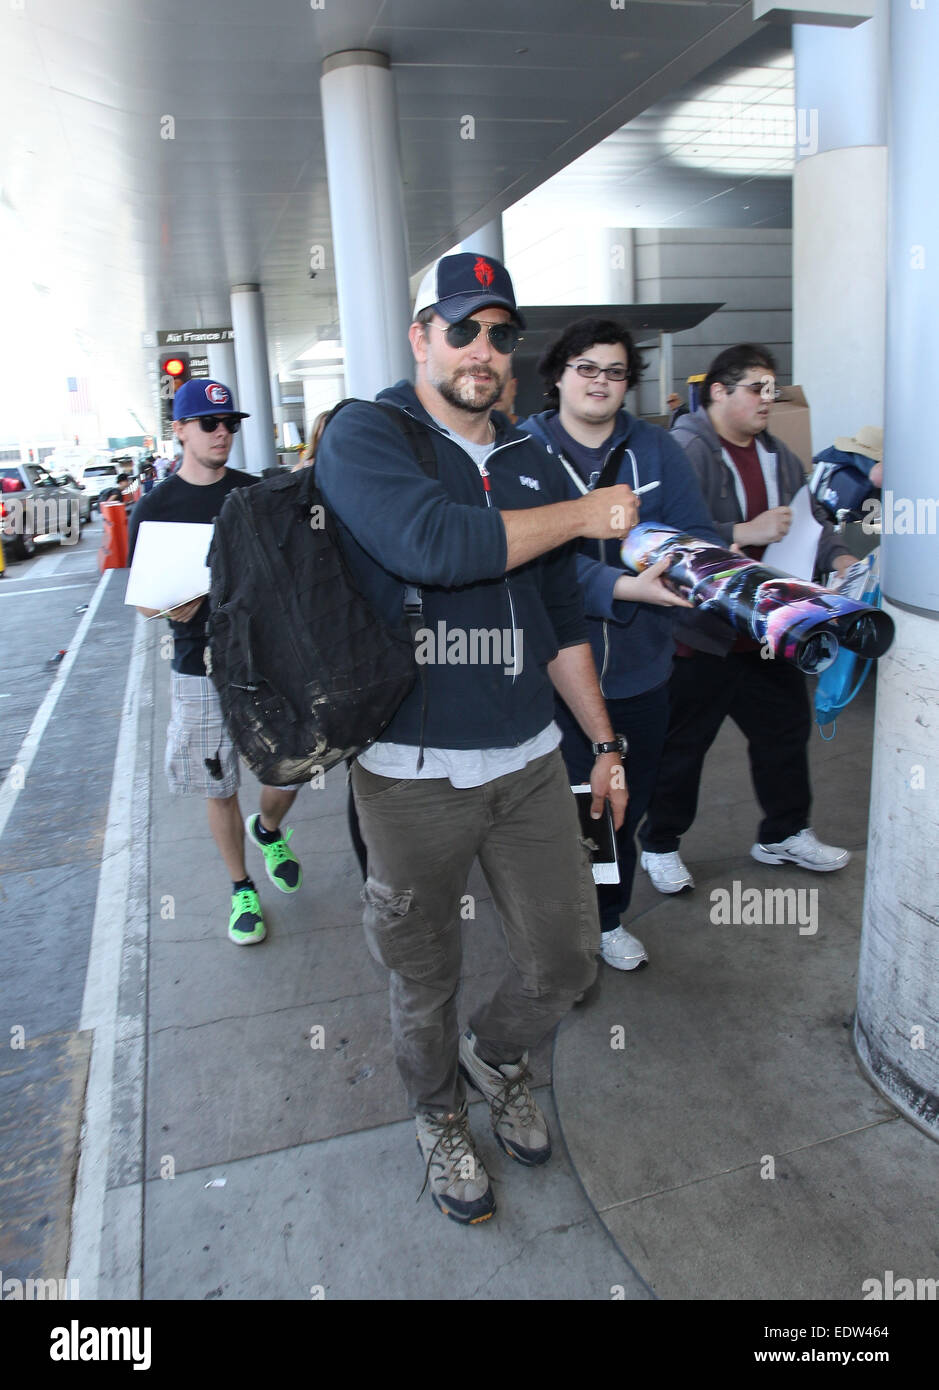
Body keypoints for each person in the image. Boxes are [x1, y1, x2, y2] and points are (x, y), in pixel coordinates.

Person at [315, 252, 639, 1225]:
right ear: (421, 337)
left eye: (502, 333)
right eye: (463, 328)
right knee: (424, 977)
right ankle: (437, 1113)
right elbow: (434, 546)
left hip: (532, 762)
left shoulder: (533, 458)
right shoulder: (371, 434)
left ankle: (496, 1059)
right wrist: (587, 513)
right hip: (411, 777)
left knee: (566, 960)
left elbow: (557, 622)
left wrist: (605, 743)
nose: (484, 349)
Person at [521, 318, 721, 971]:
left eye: (613, 371)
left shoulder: (655, 451)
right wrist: (621, 588)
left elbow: (694, 535)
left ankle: (605, 919)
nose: (599, 382)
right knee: (559, 815)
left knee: (616, 805)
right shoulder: (521, 452)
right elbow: (527, 564)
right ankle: (561, 928)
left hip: (640, 672)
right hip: (546, 678)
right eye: (585, 368)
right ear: (557, 375)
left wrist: (696, 572)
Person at [639, 344, 856, 892]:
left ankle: (784, 833)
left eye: (771, 388)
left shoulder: (779, 455)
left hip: (769, 630)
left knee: (784, 732)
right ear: (719, 391)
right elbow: (662, 534)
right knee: (683, 747)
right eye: (756, 387)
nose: (769, 398)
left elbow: (811, 523)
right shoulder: (683, 450)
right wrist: (743, 532)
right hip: (703, 633)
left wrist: (841, 560)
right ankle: (660, 844)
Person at [127, 378, 304, 945]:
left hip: (266, 658)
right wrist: (170, 608)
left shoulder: (254, 495)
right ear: (179, 431)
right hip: (199, 667)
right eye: (209, 423)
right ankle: (240, 888)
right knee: (217, 782)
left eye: (230, 423)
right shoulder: (154, 509)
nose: (222, 432)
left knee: (300, 760)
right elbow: (147, 603)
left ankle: (269, 827)